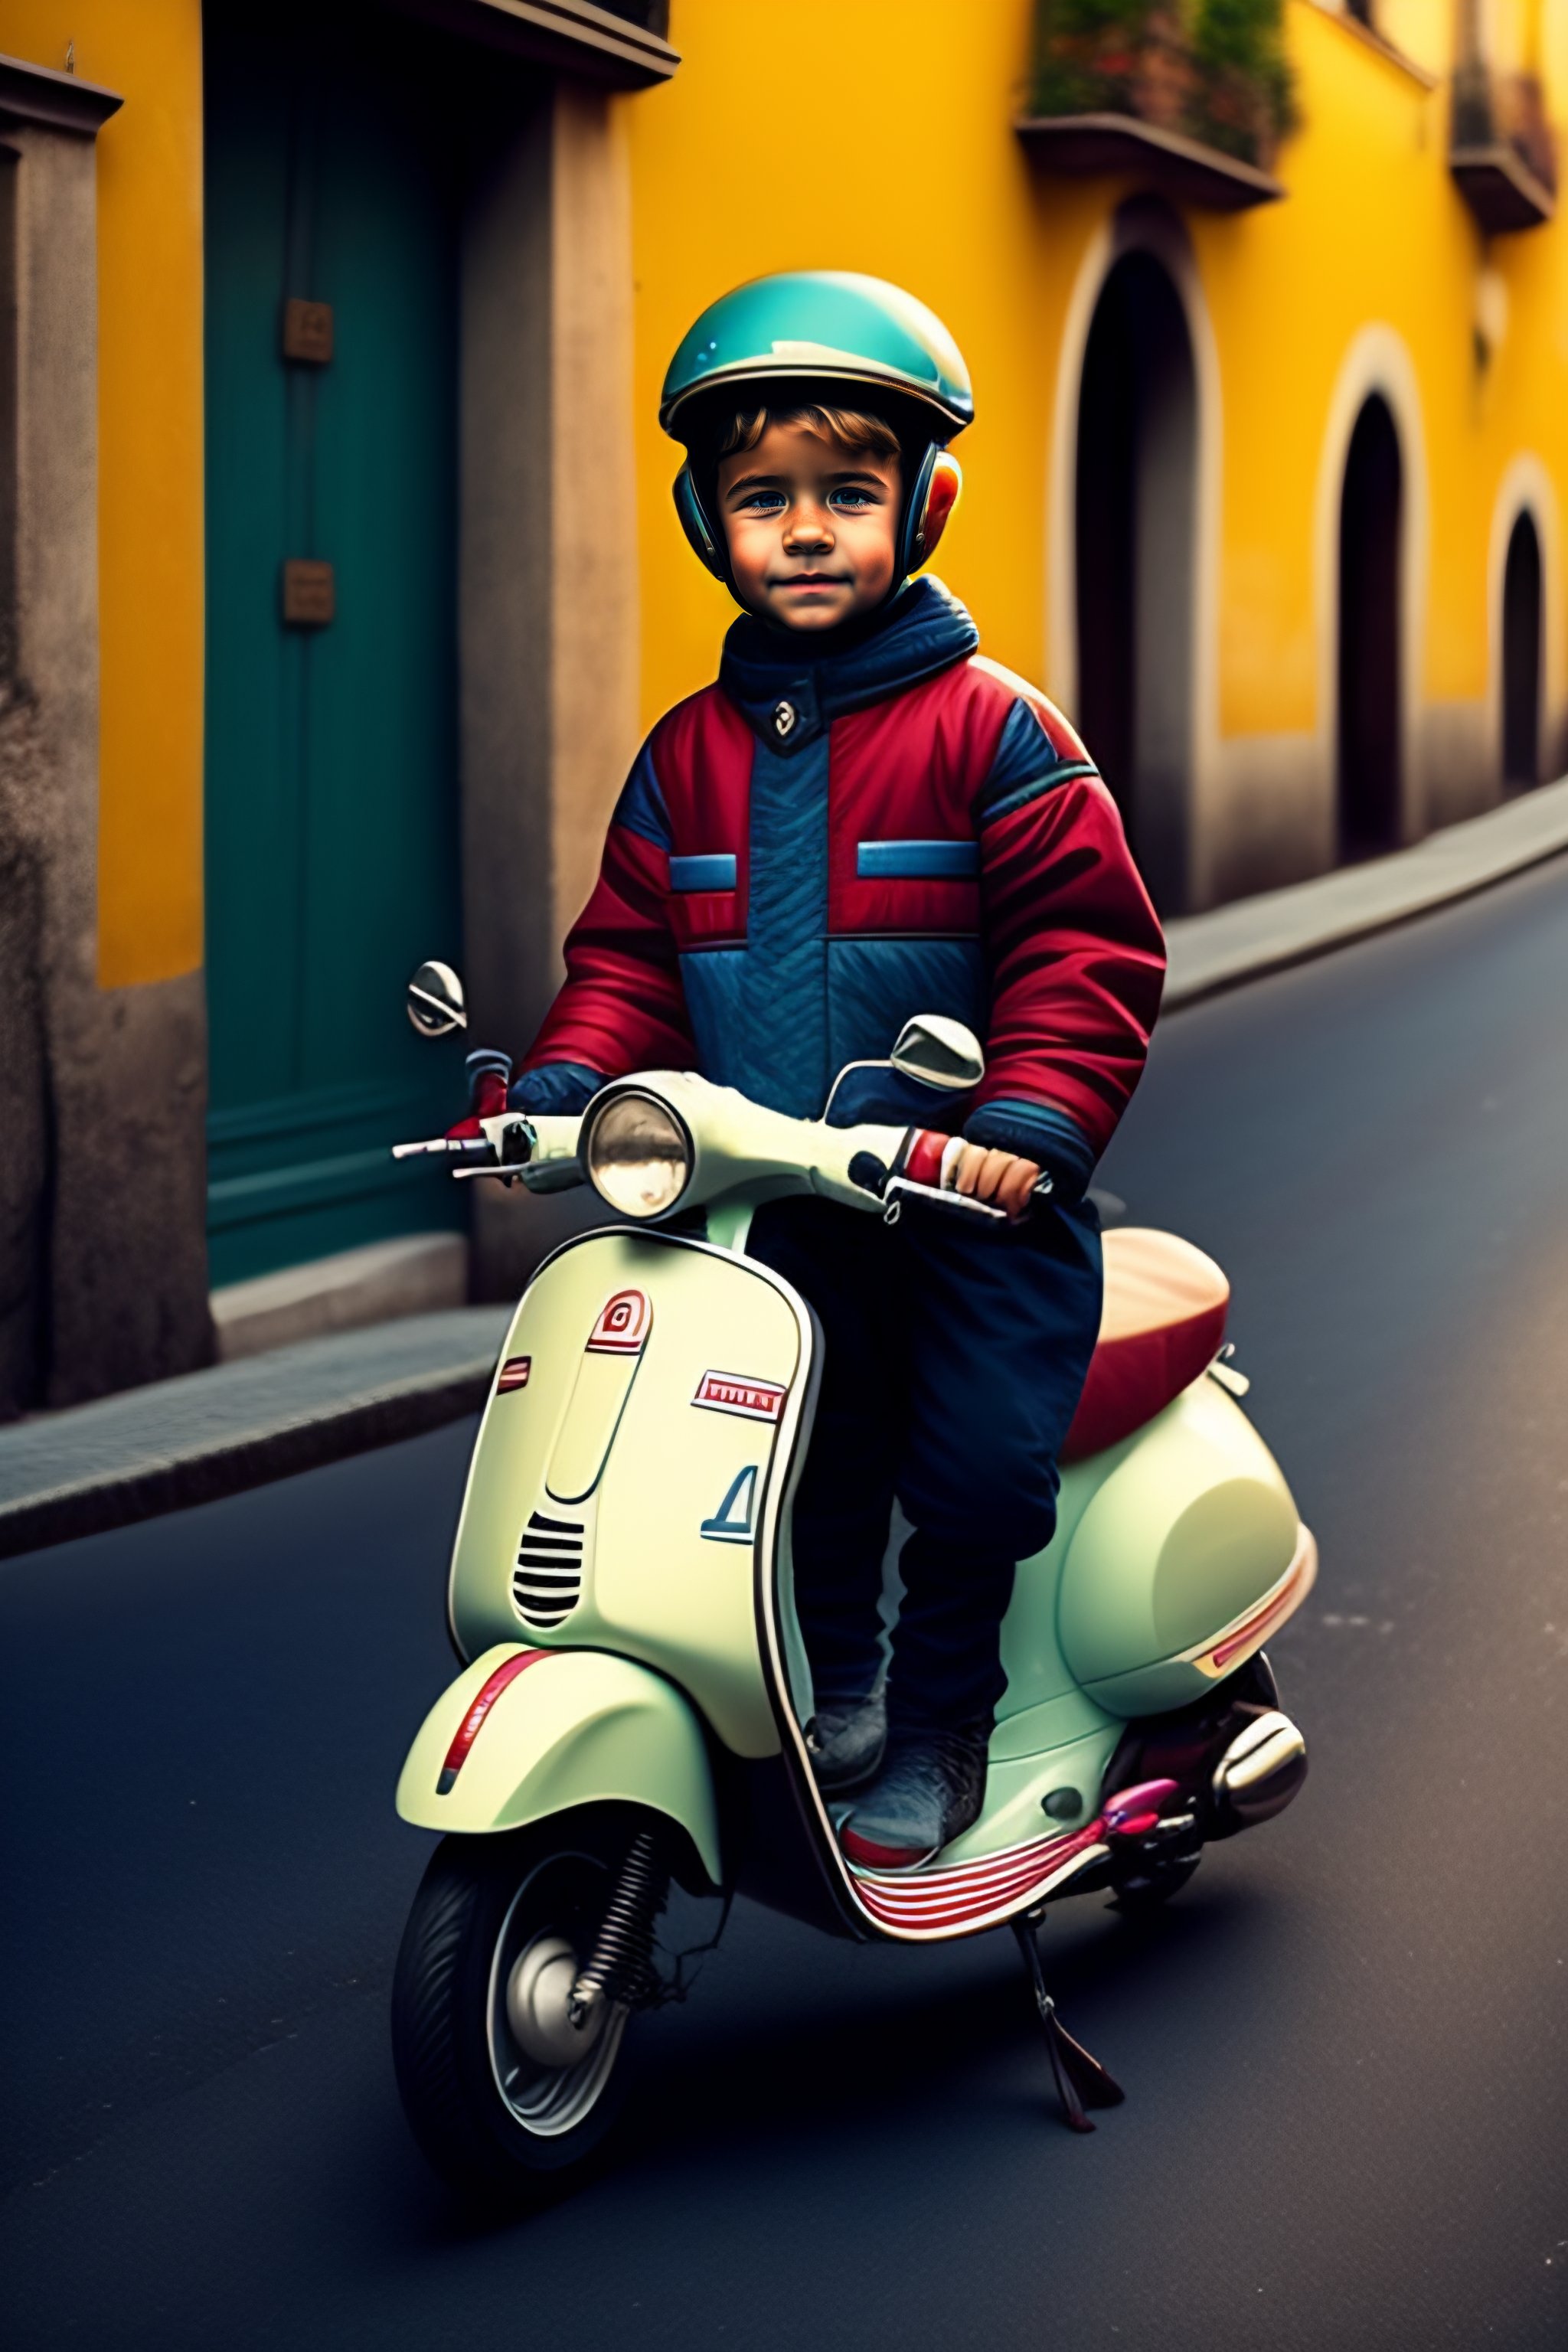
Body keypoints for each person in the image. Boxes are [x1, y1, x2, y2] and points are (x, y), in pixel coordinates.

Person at [471, 273, 1165, 1870]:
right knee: (798, 1455)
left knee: (975, 1472)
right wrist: (561, 1093)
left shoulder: (996, 732)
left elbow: (1086, 953)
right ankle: (838, 1684)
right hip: (780, 1206)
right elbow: (631, 962)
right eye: (761, 497)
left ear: (919, 509)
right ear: (706, 519)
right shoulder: (683, 757)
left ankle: (938, 1731)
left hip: (972, 1205)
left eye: (845, 495)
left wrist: (1025, 1127)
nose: (801, 530)